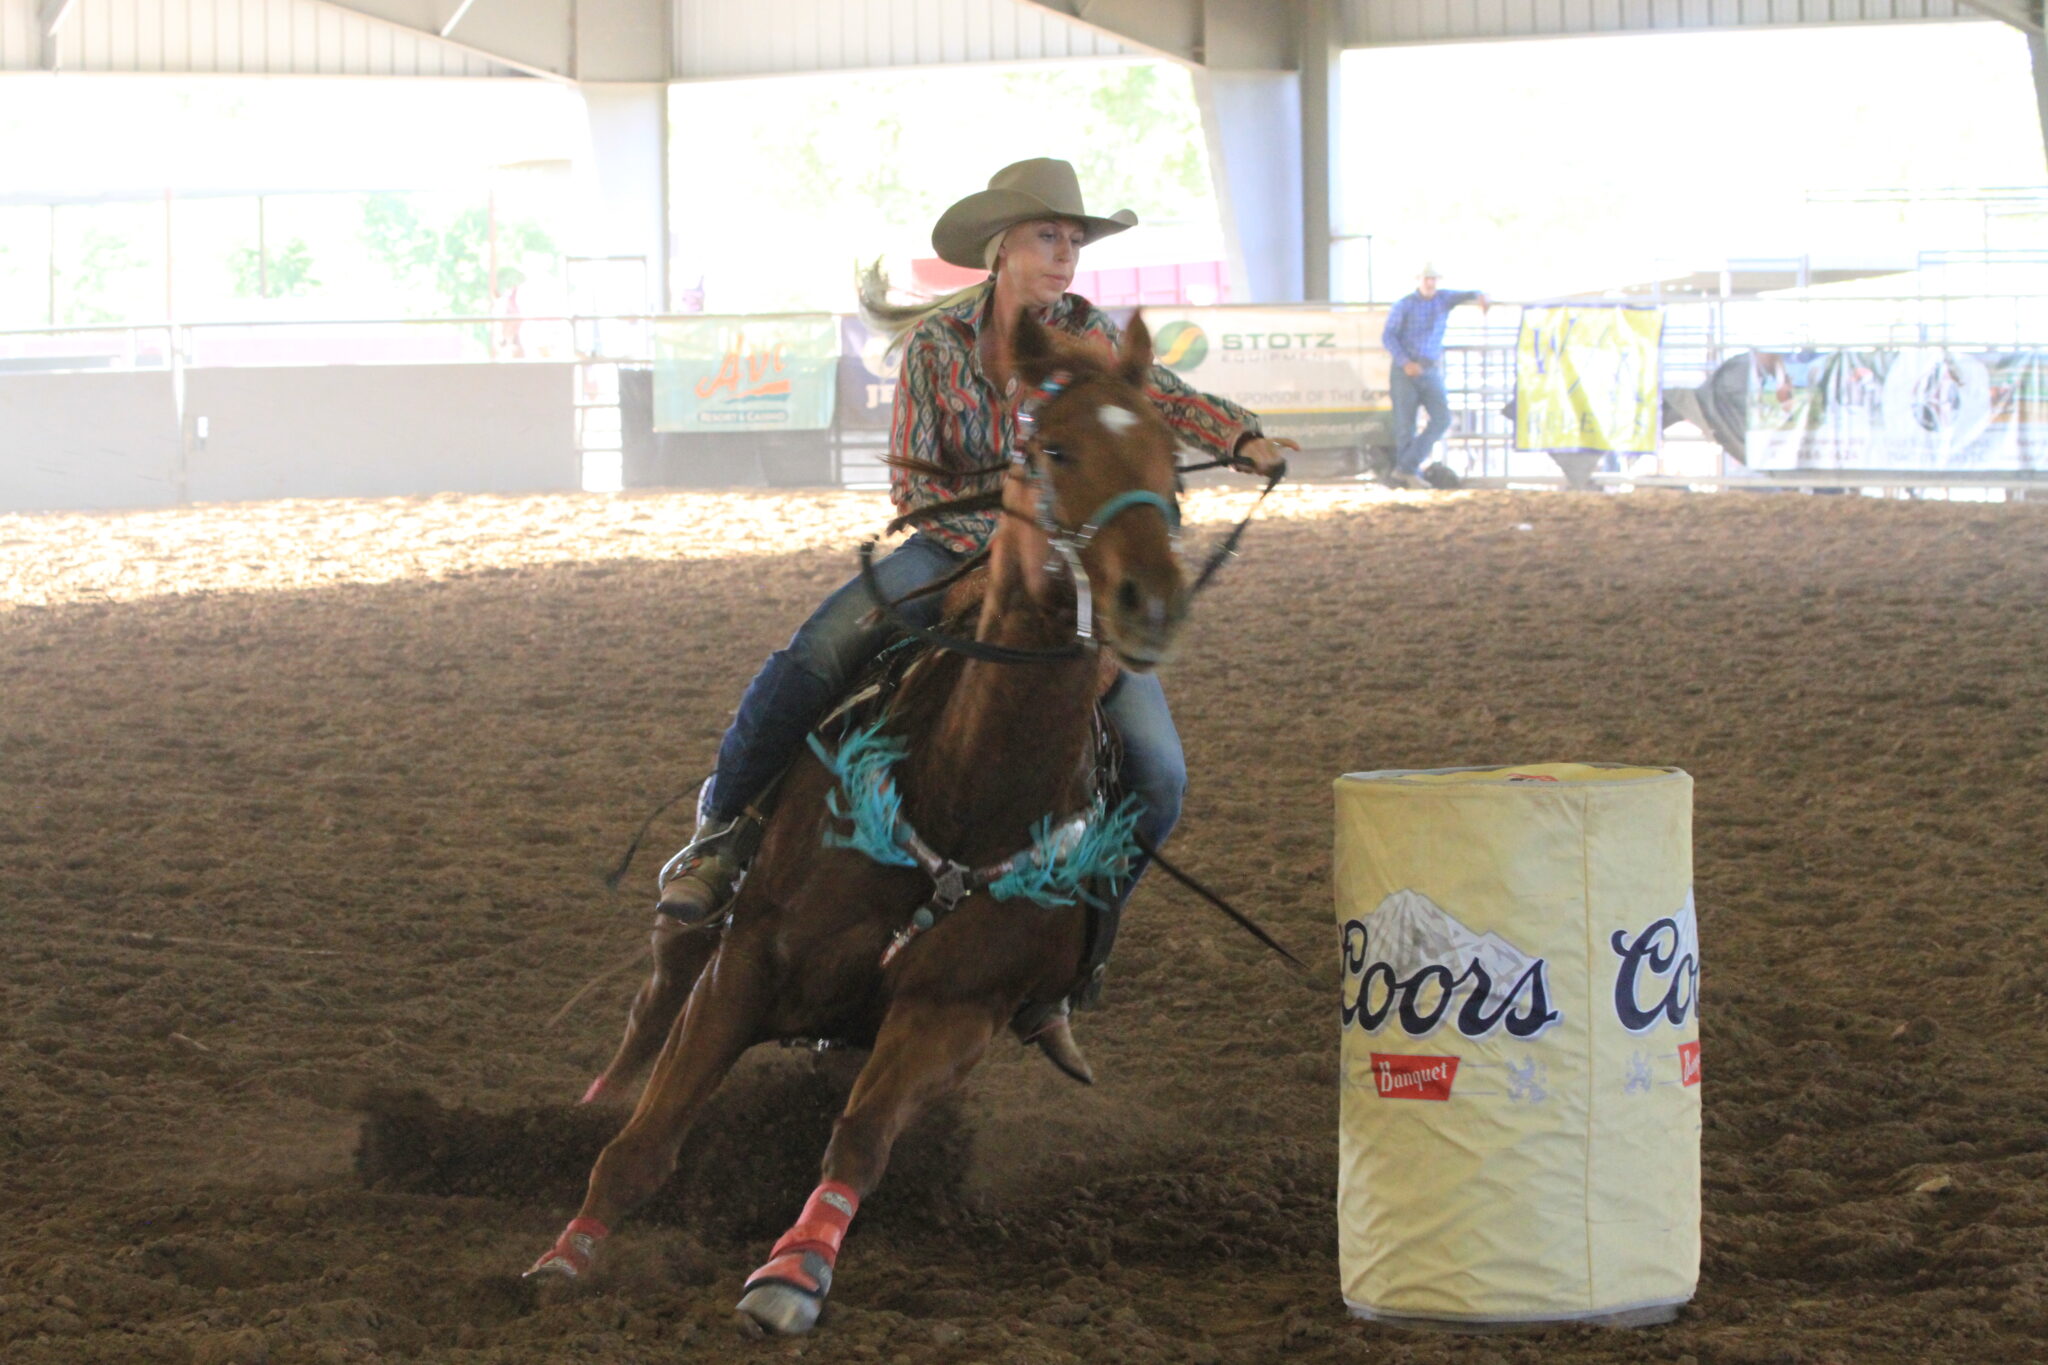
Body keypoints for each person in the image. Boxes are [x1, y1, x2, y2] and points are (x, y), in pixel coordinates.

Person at [654, 158, 1293, 1035]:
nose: (1065, 254)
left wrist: (1242, 437)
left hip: (1059, 573)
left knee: (1158, 775)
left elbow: (1162, 396)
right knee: (817, 654)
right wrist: (996, 547)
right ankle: (721, 838)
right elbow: (915, 489)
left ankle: (1067, 958)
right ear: (1001, 250)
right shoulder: (939, 347)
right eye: (1048, 236)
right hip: (954, 555)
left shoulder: (1088, 338)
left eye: (1074, 240)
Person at [1382, 264, 1488, 488]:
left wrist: (1480, 295)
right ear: (1419, 280)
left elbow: (1468, 292)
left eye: (1433, 279)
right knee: (1406, 425)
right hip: (1407, 369)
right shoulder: (1405, 305)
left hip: (1427, 367)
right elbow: (1388, 336)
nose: (1430, 283)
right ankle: (1407, 473)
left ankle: (1405, 469)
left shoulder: (1443, 299)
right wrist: (1405, 362)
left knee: (1440, 419)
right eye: (1426, 279)